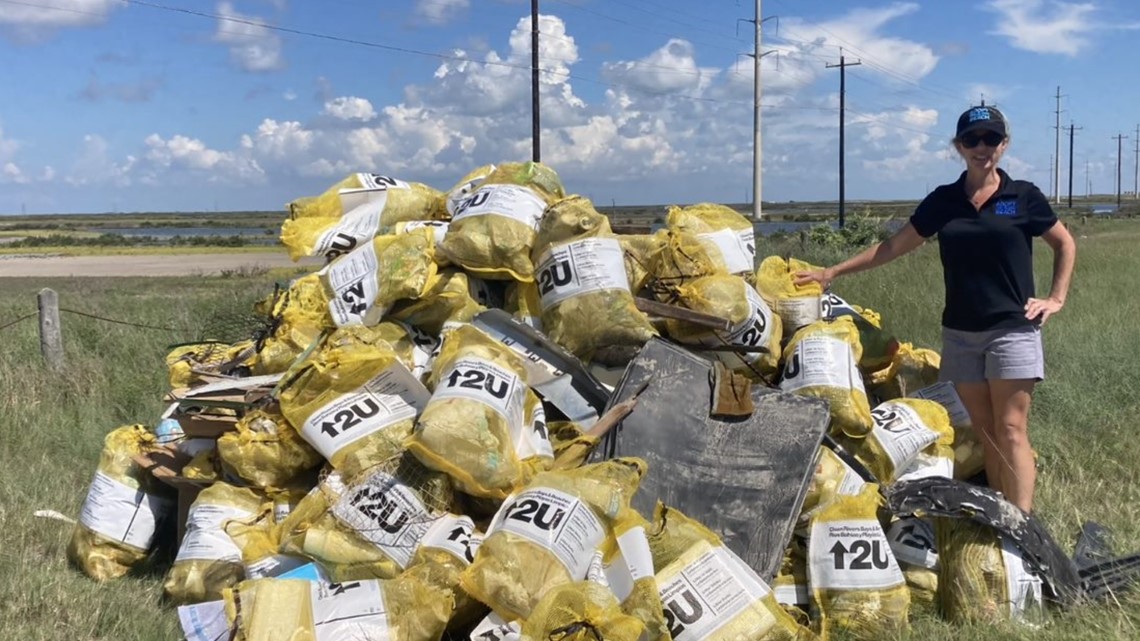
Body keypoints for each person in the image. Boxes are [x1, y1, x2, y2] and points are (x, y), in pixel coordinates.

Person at [795, 105, 1076, 513]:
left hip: (1013, 330)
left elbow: (1064, 243)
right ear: (959, 146)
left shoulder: (1023, 197)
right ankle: (1000, 513)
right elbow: (892, 246)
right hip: (961, 334)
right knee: (986, 434)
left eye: (991, 139)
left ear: (1004, 144)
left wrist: (1056, 298)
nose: (983, 147)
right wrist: (832, 270)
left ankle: (1024, 525)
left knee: (1012, 428)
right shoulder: (944, 201)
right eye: (973, 140)